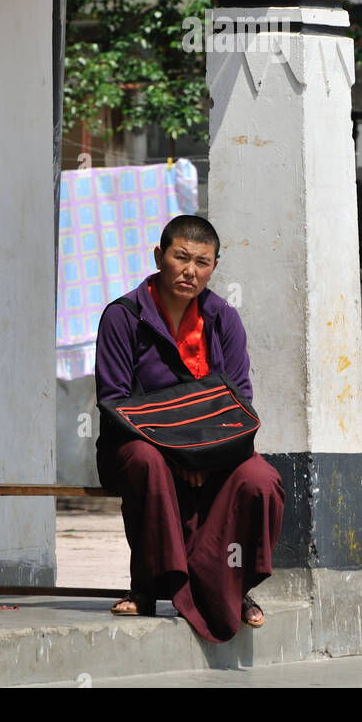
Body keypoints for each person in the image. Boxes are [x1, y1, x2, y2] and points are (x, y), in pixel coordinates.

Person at [94, 214, 285, 642]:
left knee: (261, 479)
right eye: (180, 257)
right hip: (136, 446)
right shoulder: (124, 317)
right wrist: (178, 454)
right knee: (148, 462)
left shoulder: (222, 319)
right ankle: (147, 588)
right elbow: (114, 400)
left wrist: (206, 455)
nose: (190, 271)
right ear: (158, 257)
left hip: (214, 449)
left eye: (202, 262)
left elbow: (238, 400)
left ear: (214, 266)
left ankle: (231, 587)